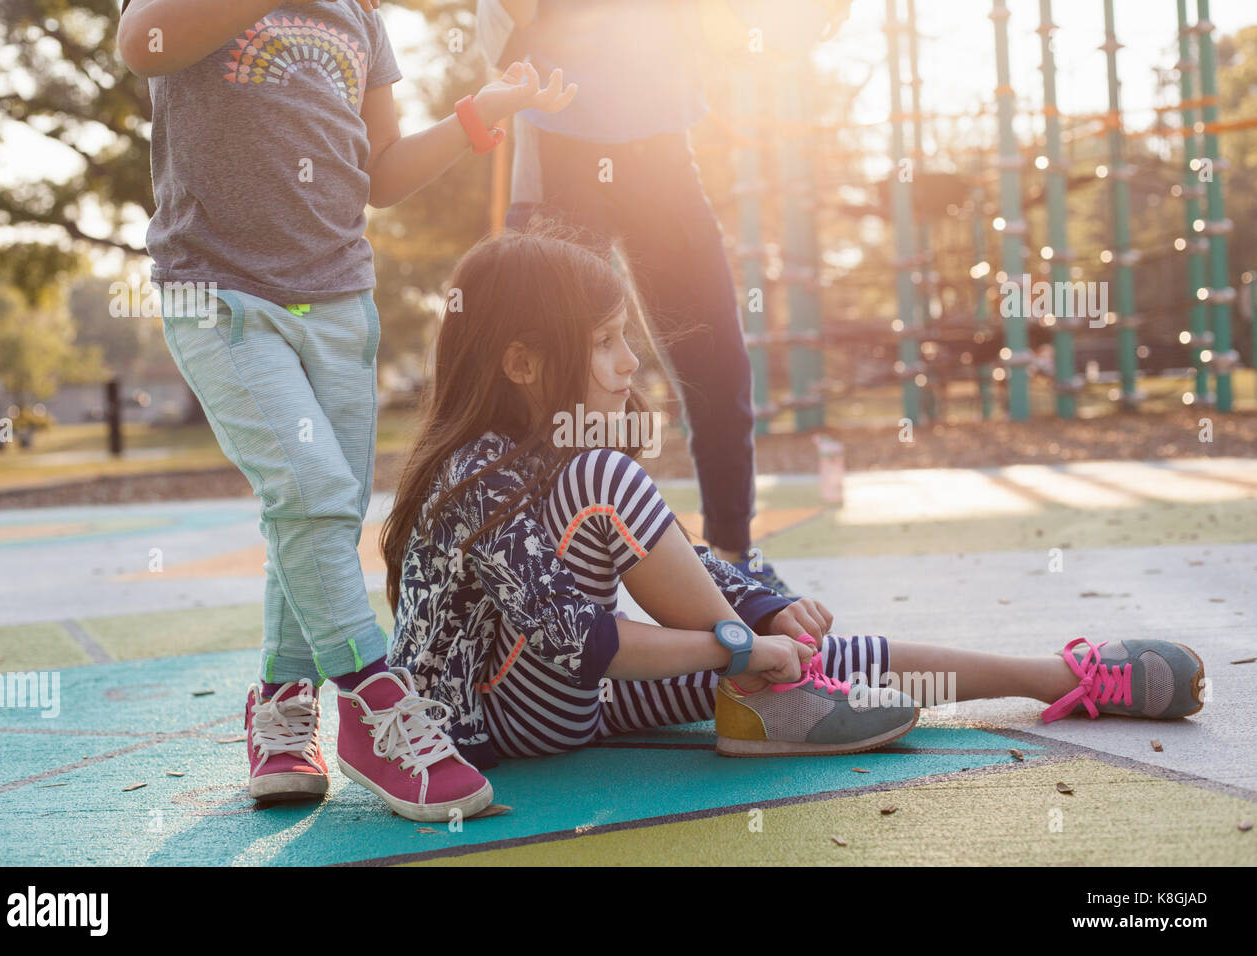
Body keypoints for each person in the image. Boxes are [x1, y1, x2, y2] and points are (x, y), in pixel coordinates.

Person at [380, 228, 1208, 771]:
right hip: (500, 717)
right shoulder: (475, 475)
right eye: (605, 341)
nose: (630, 361)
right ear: (523, 364)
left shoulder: (553, 461)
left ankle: (1056, 678)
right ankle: (757, 684)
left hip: (568, 705)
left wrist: (766, 613)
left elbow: (675, 569)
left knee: (823, 661)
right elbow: (576, 640)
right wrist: (734, 646)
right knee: (611, 485)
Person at [116, 0, 576, 821]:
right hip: (218, 291)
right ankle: (372, 702)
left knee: (313, 510)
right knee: (314, 488)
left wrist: (483, 113)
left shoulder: (359, 13)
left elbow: (384, 169)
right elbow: (143, 45)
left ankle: (282, 707)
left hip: (337, 300)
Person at [476, 0, 816, 597]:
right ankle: (537, 563)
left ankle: (734, 559)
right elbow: (503, 50)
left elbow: (741, 33)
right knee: (542, 366)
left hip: (662, 154)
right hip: (562, 151)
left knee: (718, 363)